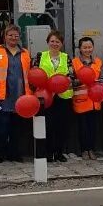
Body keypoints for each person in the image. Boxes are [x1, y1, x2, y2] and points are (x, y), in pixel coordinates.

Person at [0, 24, 31, 163]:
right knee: (2, 127)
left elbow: (30, 73)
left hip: (20, 95)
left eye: (16, 35)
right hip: (2, 95)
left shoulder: (25, 53)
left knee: (17, 128)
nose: (13, 38)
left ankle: (14, 153)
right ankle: (0, 153)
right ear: (5, 36)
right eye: (10, 35)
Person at [36, 30, 73, 162]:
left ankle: (59, 152)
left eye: (58, 41)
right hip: (46, 96)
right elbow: (34, 73)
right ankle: (48, 152)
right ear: (48, 42)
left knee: (61, 126)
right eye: (52, 41)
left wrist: (66, 81)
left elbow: (72, 74)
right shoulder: (40, 56)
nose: (55, 44)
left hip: (63, 96)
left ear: (61, 44)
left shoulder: (66, 57)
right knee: (48, 125)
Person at [71, 36, 103, 160]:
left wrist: (98, 82)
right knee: (82, 127)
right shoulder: (74, 62)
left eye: (89, 47)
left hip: (95, 101)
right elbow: (71, 81)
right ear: (80, 49)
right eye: (84, 47)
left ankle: (91, 149)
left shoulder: (98, 62)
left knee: (93, 127)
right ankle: (84, 150)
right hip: (81, 101)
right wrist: (83, 79)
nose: (87, 49)